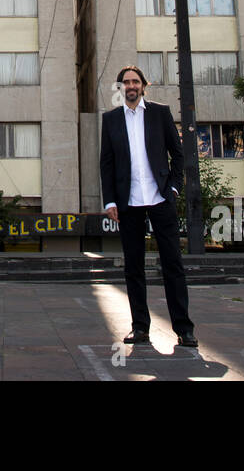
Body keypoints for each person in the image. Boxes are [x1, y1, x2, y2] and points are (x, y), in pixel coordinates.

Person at [99, 65, 196, 347]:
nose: (131, 86)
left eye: (135, 81)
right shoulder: (111, 119)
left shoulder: (159, 113)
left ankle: (184, 329)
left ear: (143, 85)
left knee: (173, 265)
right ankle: (140, 328)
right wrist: (110, 200)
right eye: (126, 82)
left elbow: (177, 155)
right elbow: (106, 163)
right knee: (134, 268)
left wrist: (174, 188)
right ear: (120, 88)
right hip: (128, 202)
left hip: (160, 198)